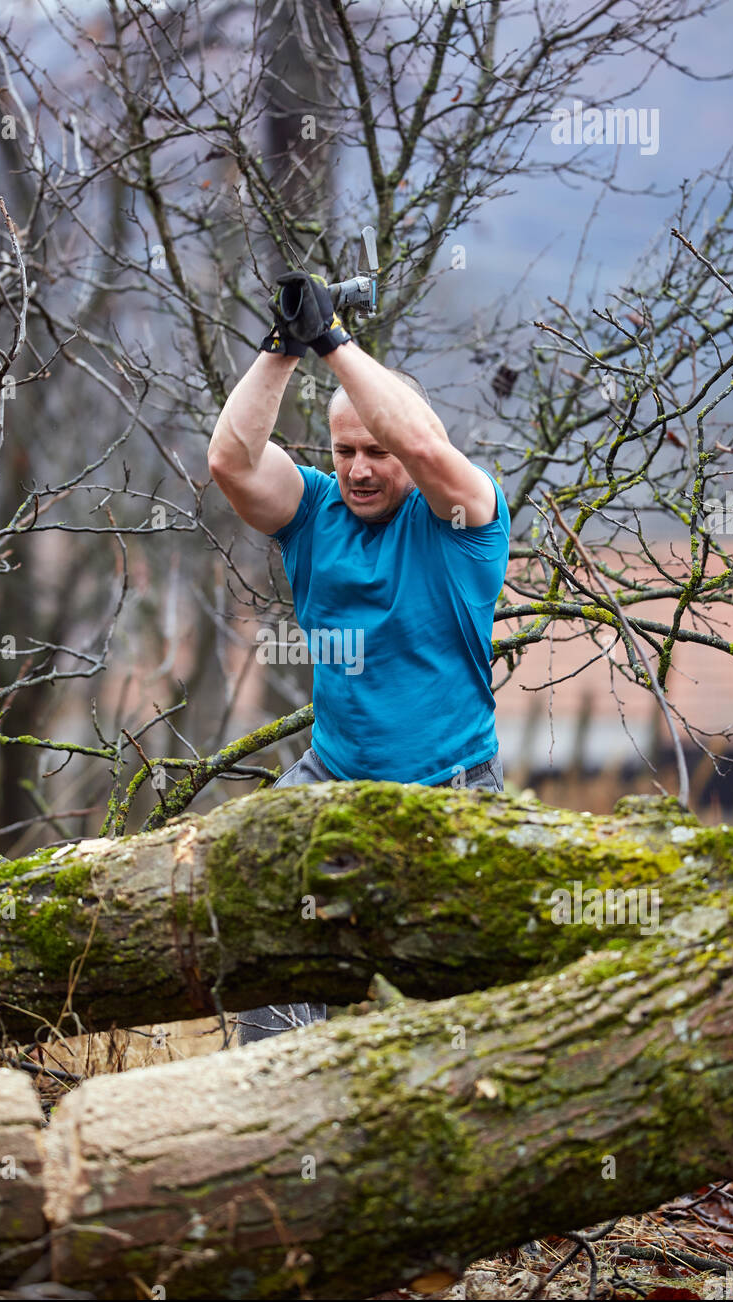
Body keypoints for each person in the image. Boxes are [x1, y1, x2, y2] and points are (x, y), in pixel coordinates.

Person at [207, 271, 510, 1046]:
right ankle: (279, 1112)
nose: (361, 468)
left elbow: (421, 440)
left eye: (376, 450)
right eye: (345, 451)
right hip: (333, 776)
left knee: (453, 1012)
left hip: (449, 787)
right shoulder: (313, 512)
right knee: (257, 913)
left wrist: (334, 338)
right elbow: (232, 463)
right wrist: (284, 342)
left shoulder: (461, 517)